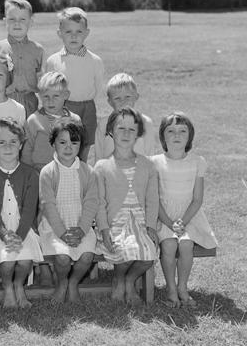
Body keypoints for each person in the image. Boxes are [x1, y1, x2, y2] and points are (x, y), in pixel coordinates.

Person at [151, 112, 217, 308]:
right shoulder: (155, 163)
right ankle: (171, 290)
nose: (176, 135)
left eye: (182, 131)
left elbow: (197, 199)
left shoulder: (197, 162)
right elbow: (154, 199)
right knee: (169, 245)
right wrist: (169, 223)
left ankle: (182, 288)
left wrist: (183, 222)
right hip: (163, 216)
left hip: (189, 216)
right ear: (163, 136)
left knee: (186, 244)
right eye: (170, 131)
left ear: (190, 136)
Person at [94, 108, 159, 305]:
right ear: (111, 131)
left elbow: (152, 199)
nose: (126, 133)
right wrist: (104, 229)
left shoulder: (148, 165)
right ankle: (119, 278)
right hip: (115, 225)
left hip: (140, 224)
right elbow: (99, 202)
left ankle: (129, 280)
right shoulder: (102, 166)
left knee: (148, 256)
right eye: (121, 128)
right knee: (124, 251)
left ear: (138, 133)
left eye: (132, 129)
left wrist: (151, 226)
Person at [0, 117, 43, 309]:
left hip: (24, 226)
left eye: (13, 141)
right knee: (6, 261)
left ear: (21, 144)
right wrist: (6, 236)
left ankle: (18, 286)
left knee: (24, 261)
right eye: (2, 142)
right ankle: (7, 287)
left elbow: (29, 210)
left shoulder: (31, 174)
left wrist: (19, 236)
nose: (8, 147)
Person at [38, 118, 98, 303]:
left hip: (80, 226)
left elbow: (91, 203)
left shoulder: (88, 172)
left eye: (74, 142)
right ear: (53, 144)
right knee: (63, 258)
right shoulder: (47, 172)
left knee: (87, 256)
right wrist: (62, 233)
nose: (68, 147)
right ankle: (62, 282)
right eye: (62, 142)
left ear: (81, 145)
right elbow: (48, 205)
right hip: (54, 228)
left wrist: (81, 230)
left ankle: (73, 282)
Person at [44, 7, 105, 162]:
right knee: (64, 145)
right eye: (68, 31)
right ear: (59, 33)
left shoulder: (95, 61)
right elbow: (48, 88)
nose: (74, 36)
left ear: (87, 33)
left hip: (88, 108)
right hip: (64, 109)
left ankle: (81, 172)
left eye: (79, 31)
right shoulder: (53, 61)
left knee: (84, 146)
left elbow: (98, 88)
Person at [0, 0, 44, 117]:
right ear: (5, 21)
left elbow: (41, 79)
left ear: (30, 22)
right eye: (12, 19)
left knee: (28, 129)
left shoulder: (37, 50)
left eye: (22, 19)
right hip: (3, 101)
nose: (17, 23)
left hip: (30, 101)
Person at [92, 72, 160, 164]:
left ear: (136, 97)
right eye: (117, 98)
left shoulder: (146, 122)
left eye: (128, 97)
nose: (123, 101)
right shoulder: (104, 124)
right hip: (110, 171)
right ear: (110, 102)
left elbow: (149, 155)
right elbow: (99, 156)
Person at [22, 71, 82, 172]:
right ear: (40, 96)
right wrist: (29, 174)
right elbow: (26, 152)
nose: (50, 101)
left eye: (56, 96)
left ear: (66, 95)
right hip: (39, 172)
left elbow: (79, 148)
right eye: (46, 96)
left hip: (66, 170)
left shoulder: (75, 120)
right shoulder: (34, 120)